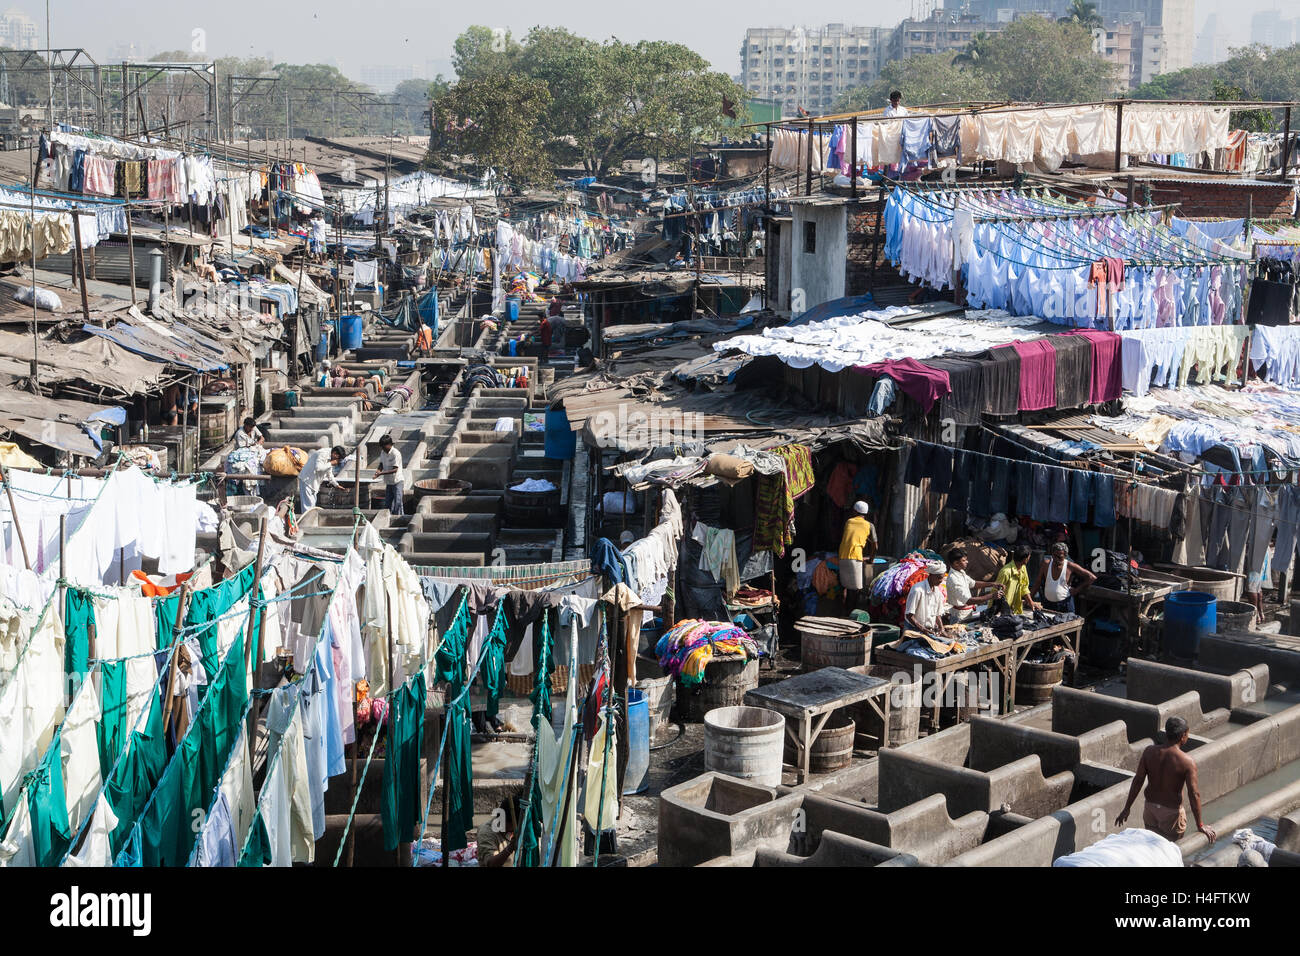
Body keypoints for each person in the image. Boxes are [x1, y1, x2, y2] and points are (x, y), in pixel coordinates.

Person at [1116, 716, 1216, 845]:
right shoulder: (1187, 762)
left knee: (1152, 847)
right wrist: (1200, 824)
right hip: (1171, 815)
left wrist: (1127, 808)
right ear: (1183, 735)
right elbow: (1194, 794)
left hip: (1150, 810)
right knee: (1171, 850)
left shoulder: (1149, 752)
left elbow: (1138, 780)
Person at [837, 500, 878, 613]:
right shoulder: (869, 525)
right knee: (855, 589)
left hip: (842, 556)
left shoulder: (849, 522)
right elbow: (875, 545)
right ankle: (851, 614)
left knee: (845, 586)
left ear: (854, 511)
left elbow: (853, 535)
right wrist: (871, 559)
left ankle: (842, 612)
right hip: (855, 557)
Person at [1034, 542, 1096, 613]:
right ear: (1052, 554)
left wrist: (1077, 590)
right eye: (1055, 556)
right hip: (1048, 604)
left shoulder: (1070, 566)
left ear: (1065, 556)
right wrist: (1029, 600)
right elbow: (1037, 582)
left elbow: (1091, 577)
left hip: (1065, 605)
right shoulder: (1046, 564)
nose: (1057, 559)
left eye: (1060, 557)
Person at [944, 548, 1000, 623]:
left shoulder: (960, 572)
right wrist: (991, 596)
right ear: (956, 563)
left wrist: (992, 584)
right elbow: (969, 601)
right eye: (964, 560)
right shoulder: (953, 579)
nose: (967, 562)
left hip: (968, 612)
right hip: (960, 616)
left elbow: (973, 583)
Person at [298, 444, 350, 511]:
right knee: (308, 507)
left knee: (312, 506)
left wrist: (336, 485)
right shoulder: (323, 454)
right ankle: (306, 521)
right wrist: (331, 463)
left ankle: (310, 520)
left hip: (314, 483)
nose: (337, 462)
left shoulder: (330, 457)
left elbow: (329, 473)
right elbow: (318, 468)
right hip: (307, 480)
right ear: (335, 454)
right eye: (338, 459)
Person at [904, 560, 948, 638]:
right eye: (939, 578)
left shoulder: (937, 591)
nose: (941, 581)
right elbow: (909, 615)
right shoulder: (917, 590)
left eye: (942, 578)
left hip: (928, 630)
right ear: (931, 575)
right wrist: (922, 629)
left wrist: (942, 629)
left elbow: (937, 614)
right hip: (914, 630)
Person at [476, 796, 520, 867]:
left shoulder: (516, 829)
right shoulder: (486, 832)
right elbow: (491, 863)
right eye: (515, 825)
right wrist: (510, 848)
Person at [996, 545, 1038, 615]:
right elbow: (996, 593)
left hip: (1015, 610)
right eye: (1029, 556)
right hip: (1002, 611)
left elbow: (1024, 587)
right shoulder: (1006, 572)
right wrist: (998, 612)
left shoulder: (1023, 568)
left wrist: (1031, 602)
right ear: (1025, 559)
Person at [375, 435, 404, 516]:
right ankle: (388, 518)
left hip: (397, 481)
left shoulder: (396, 453)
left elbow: (395, 469)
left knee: (398, 503)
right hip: (389, 482)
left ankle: (399, 519)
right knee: (388, 503)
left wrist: (381, 473)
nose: (383, 449)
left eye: (384, 447)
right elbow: (381, 463)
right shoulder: (383, 452)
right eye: (382, 447)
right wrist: (378, 470)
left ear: (389, 444)